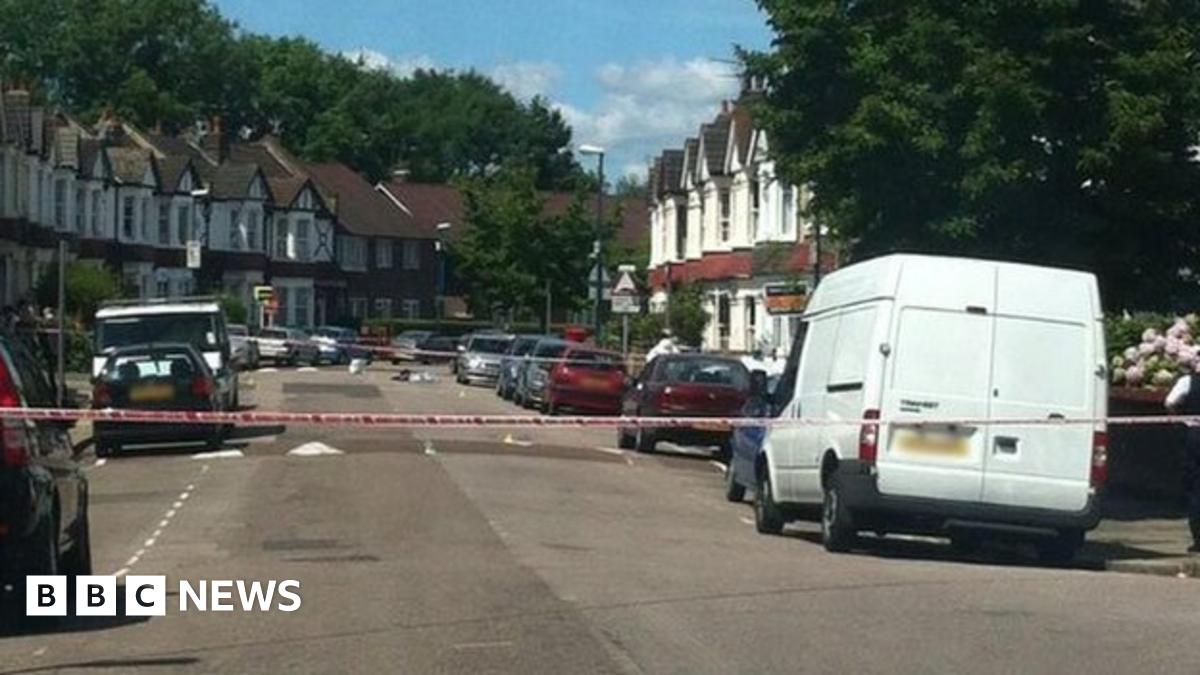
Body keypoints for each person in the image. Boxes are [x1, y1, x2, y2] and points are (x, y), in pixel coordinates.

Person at [1165, 371, 1200, 553]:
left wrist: (1179, 420)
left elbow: (1170, 402)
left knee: (1195, 489)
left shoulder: (1188, 381)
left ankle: (1198, 539)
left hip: (1194, 436)